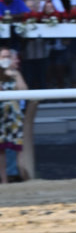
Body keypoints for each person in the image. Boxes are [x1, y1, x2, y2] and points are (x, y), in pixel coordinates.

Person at [0, 46, 27, 183]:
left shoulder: (15, 73)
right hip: (1, 117)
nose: (6, 59)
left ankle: (21, 177)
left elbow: (24, 91)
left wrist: (15, 75)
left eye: (7, 56)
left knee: (18, 148)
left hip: (14, 117)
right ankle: (4, 181)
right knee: (1, 151)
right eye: (3, 56)